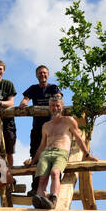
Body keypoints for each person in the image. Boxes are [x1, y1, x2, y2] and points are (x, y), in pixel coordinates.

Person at [32, 94, 96, 209]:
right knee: (42, 178)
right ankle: (39, 200)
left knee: (55, 173)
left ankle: (53, 200)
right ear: (49, 107)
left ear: (62, 107)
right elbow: (42, 145)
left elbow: (78, 137)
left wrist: (87, 154)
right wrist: (33, 161)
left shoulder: (68, 120)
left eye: (57, 105)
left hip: (60, 153)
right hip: (46, 153)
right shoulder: (46, 125)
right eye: (52, 106)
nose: (54, 108)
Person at [20, 65, 62, 193]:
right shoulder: (33, 88)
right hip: (38, 128)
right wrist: (24, 103)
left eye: (44, 73)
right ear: (36, 76)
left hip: (52, 128)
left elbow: (59, 97)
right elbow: (26, 98)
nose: (42, 75)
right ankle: (35, 188)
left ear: (48, 75)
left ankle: (55, 189)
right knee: (35, 156)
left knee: (55, 155)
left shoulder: (53, 87)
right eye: (39, 73)